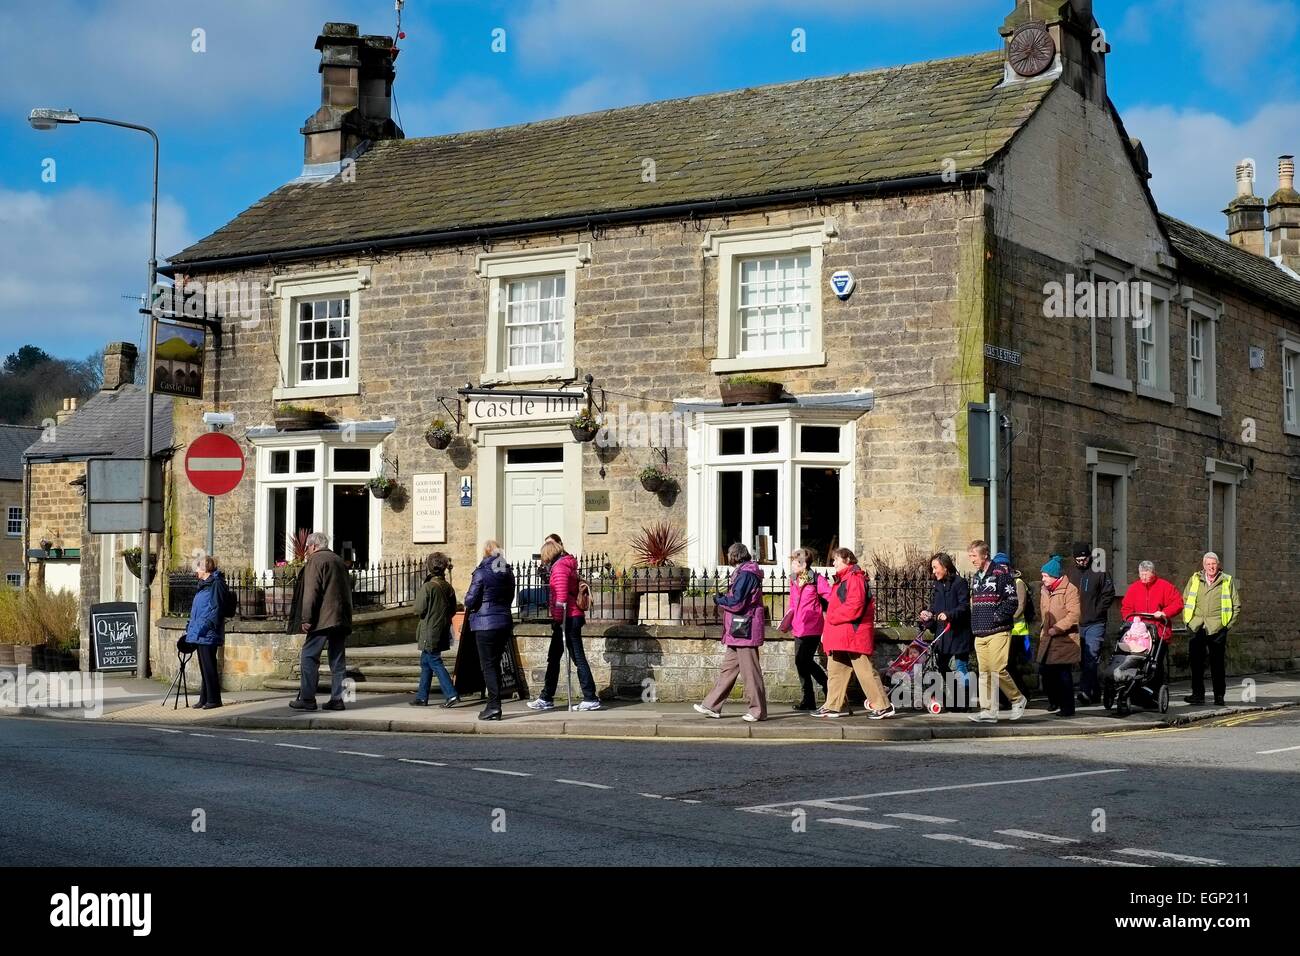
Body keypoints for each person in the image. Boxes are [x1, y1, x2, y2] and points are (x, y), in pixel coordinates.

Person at [811, 548, 895, 720]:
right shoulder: (845, 579)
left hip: (853, 634)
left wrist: (831, 617)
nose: (833, 563)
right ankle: (832, 706)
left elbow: (854, 607)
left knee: (865, 672)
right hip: (843, 635)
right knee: (835, 671)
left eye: (836, 559)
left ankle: (883, 706)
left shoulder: (854, 578)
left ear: (848, 559)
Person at [695, 543, 768, 721]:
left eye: (729, 553)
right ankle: (712, 705)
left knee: (750, 672)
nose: (728, 556)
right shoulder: (744, 572)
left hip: (745, 629)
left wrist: (720, 600)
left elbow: (737, 602)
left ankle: (758, 711)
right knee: (727, 670)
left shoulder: (746, 574)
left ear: (734, 555)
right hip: (738, 630)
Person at [528, 538, 601, 712]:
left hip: (568, 618)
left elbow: (560, 598)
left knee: (577, 657)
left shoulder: (559, 568)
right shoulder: (566, 564)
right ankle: (546, 697)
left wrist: (558, 619)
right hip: (570, 617)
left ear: (548, 554)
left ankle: (590, 697)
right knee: (554, 657)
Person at [288, 532, 354, 712]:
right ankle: (338, 699)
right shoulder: (338, 560)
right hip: (341, 618)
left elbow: (311, 592)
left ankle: (308, 698)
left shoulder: (316, 561)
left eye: (308, 547)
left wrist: (306, 618)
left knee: (309, 656)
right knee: (338, 660)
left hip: (322, 619)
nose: (306, 551)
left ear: (314, 546)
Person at [966, 539, 1027, 723]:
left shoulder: (1001, 573)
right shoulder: (976, 577)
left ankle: (1018, 699)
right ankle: (988, 710)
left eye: (974, 556)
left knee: (997, 669)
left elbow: (1012, 601)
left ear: (985, 555)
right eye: (970, 556)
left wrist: (996, 617)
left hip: (998, 630)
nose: (972, 560)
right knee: (984, 672)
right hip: (980, 631)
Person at [464, 539, 516, 721]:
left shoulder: (481, 573)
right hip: (503, 622)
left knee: (489, 666)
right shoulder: (508, 572)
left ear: (486, 554)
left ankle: (494, 706)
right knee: (495, 664)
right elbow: (511, 597)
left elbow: (470, 600)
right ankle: (494, 704)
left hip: (485, 624)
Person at [1181, 552, 1241, 706]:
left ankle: (1219, 696)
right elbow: (1185, 600)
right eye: (1208, 564)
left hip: (1217, 628)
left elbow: (1236, 605)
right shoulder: (1195, 579)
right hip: (1197, 626)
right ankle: (1198, 695)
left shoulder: (1226, 580)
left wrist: (1226, 626)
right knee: (1196, 664)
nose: (1211, 567)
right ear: (1203, 565)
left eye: (1213, 564)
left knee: (1217, 664)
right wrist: (1188, 621)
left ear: (1218, 565)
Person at [919, 552, 972, 711]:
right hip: (944, 633)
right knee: (942, 664)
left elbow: (963, 607)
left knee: (961, 667)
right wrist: (927, 615)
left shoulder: (960, 583)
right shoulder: (937, 585)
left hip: (959, 631)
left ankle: (964, 702)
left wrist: (949, 615)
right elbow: (936, 609)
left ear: (945, 566)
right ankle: (956, 697)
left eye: (936, 568)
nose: (933, 571)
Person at [1065, 542, 1116, 707]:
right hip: (1077, 623)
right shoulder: (1071, 573)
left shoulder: (1100, 571)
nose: (1082, 562)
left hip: (1096, 623)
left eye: (1084, 559)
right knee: (1083, 659)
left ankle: (1085, 691)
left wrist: (1097, 611)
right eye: (1078, 559)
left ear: (1089, 556)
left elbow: (1109, 593)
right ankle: (1095, 692)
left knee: (1091, 657)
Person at [780, 548, 829, 711]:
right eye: (792, 561)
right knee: (800, 663)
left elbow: (830, 597)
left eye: (795, 562)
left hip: (813, 626)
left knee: (804, 660)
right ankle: (808, 700)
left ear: (805, 563)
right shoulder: (793, 579)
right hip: (798, 626)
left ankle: (827, 685)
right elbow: (793, 603)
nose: (792, 564)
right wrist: (787, 620)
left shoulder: (816, 580)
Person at [411, 552, 461, 708]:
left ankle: (451, 694)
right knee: (425, 662)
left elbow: (418, 609)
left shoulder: (428, 586)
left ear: (429, 567)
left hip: (429, 631)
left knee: (434, 661)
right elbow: (453, 609)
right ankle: (421, 697)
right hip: (442, 629)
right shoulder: (448, 587)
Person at [1036, 555, 1081, 718]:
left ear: (1055, 576)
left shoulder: (1070, 590)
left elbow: (1074, 614)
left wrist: (1058, 627)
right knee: (1046, 672)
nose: (1043, 579)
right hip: (1048, 638)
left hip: (1064, 638)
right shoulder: (1045, 590)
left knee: (1063, 674)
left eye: (1045, 576)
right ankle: (1054, 701)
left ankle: (1067, 708)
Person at [186, 555, 227, 710]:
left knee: (209, 667)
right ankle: (204, 698)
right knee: (204, 668)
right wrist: (191, 627)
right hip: (200, 632)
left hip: (208, 632)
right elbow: (197, 611)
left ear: (205, 569)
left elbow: (217, 609)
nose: (196, 570)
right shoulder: (203, 585)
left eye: (198, 567)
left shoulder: (216, 584)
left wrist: (205, 626)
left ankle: (214, 699)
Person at [994, 551, 1033, 707]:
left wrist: (1004, 618)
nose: (1002, 568)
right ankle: (1007, 698)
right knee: (1003, 666)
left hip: (1016, 631)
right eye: (999, 565)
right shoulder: (996, 582)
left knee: (1009, 665)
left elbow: (1020, 606)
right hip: (1002, 630)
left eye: (1004, 565)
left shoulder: (1017, 583)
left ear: (1009, 566)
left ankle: (1021, 695)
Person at [1120, 560, 1184, 646]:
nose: (1143, 577)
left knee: (1156, 656)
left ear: (1153, 573)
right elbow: (1126, 608)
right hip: (1138, 631)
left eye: (1146, 574)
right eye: (1141, 574)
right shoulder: (1133, 588)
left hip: (1159, 631)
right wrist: (1133, 620)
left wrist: (1164, 613)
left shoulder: (1164, 586)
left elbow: (1178, 603)